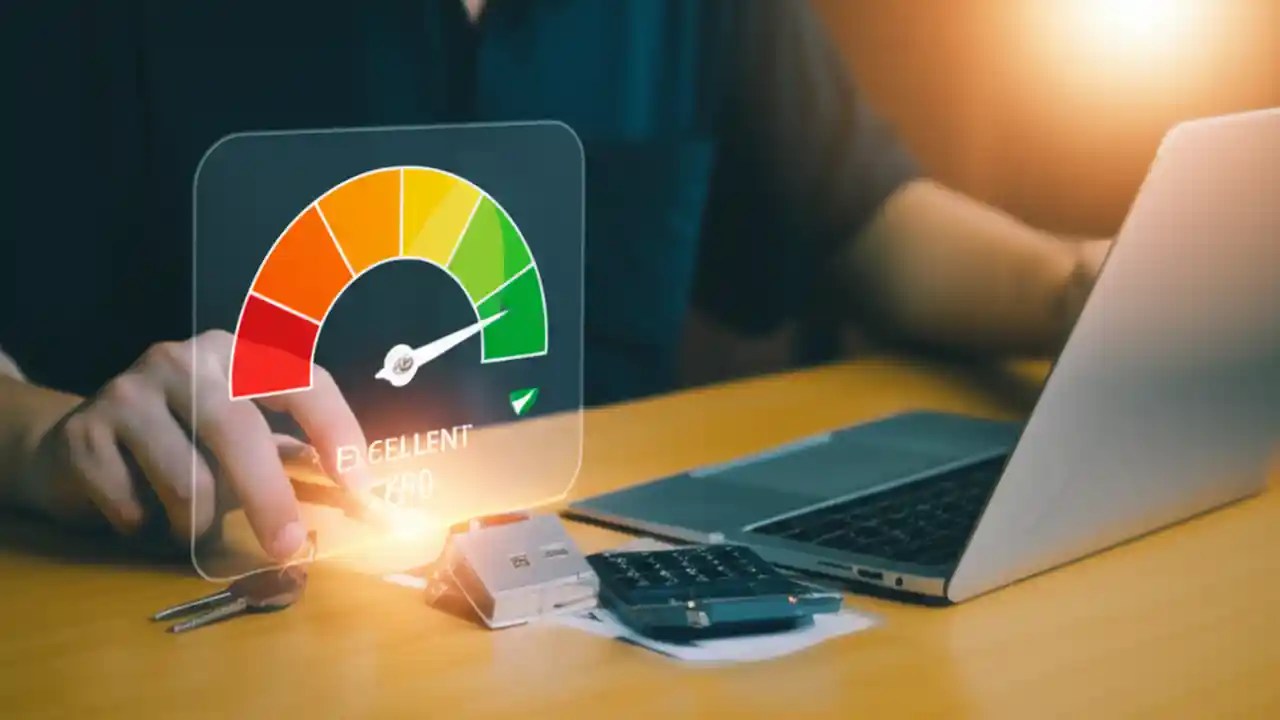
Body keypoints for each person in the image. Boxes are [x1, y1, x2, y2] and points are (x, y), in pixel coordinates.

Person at [0, 1, 1109, 561]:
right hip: (225, 620)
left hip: (603, 606)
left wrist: (1078, 290)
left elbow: (858, 213)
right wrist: (45, 442)